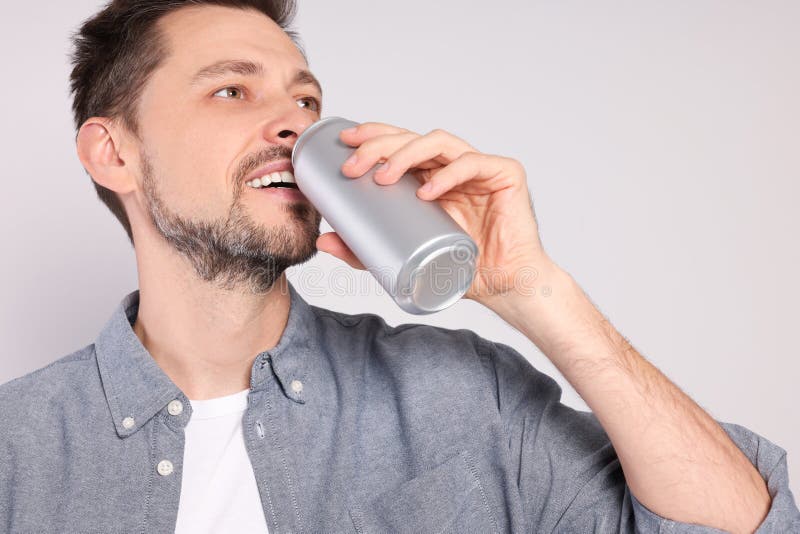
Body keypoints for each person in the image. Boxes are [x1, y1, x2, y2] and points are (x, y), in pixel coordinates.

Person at [0, 1, 797, 532]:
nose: (293, 125)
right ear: (114, 153)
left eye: (305, 100)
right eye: (232, 91)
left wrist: (534, 292)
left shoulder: (457, 398)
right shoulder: (16, 449)